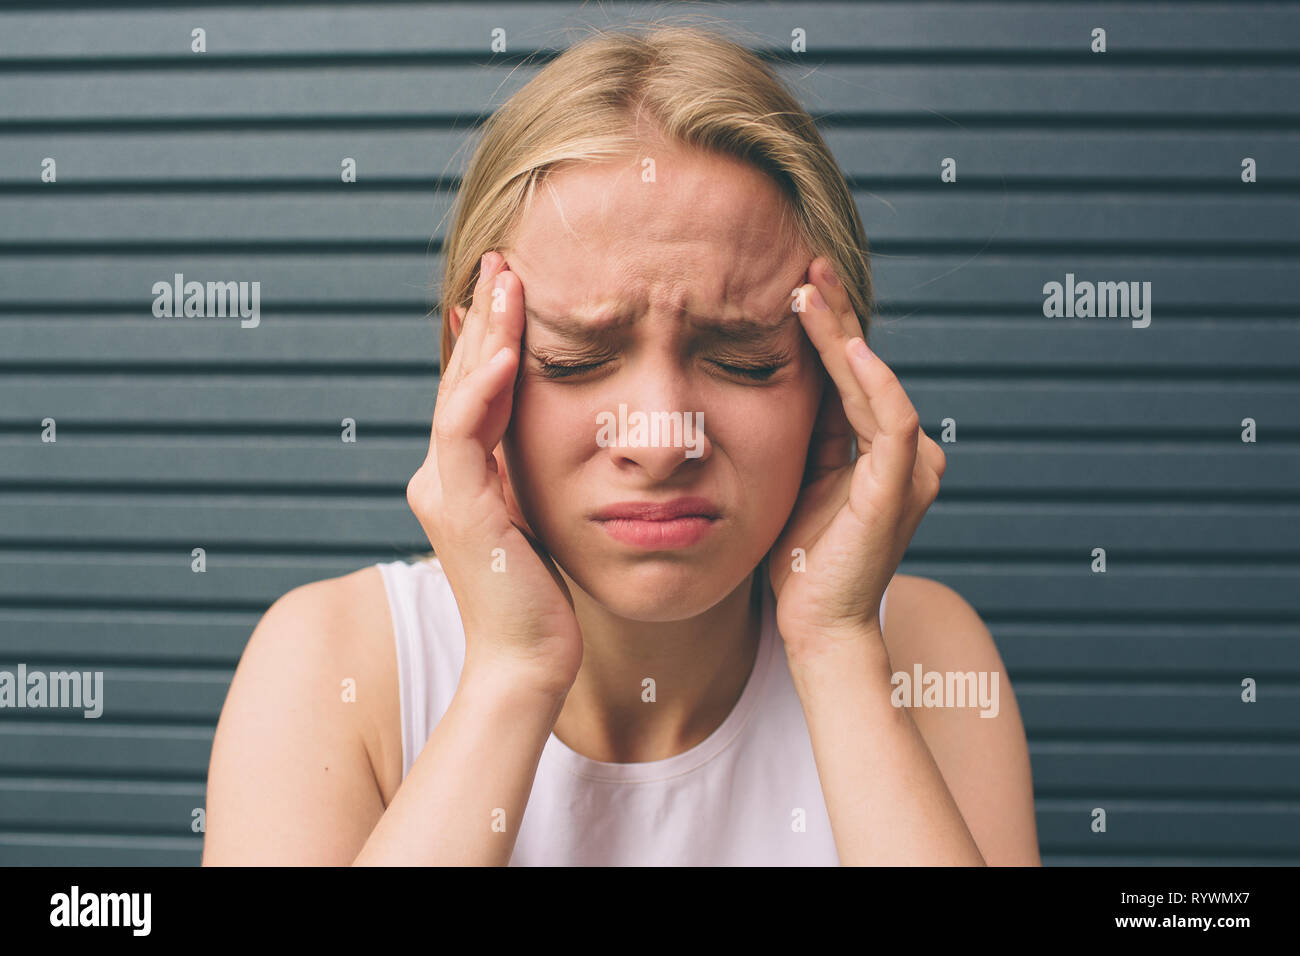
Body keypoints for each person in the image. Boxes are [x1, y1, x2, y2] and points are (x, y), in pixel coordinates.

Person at [202, 23, 1040, 866]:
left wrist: (838, 648)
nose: (660, 439)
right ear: (470, 373)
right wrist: (511, 671)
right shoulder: (327, 663)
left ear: (832, 383)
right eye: (577, 361)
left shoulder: (925, 652)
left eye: (743, 359)